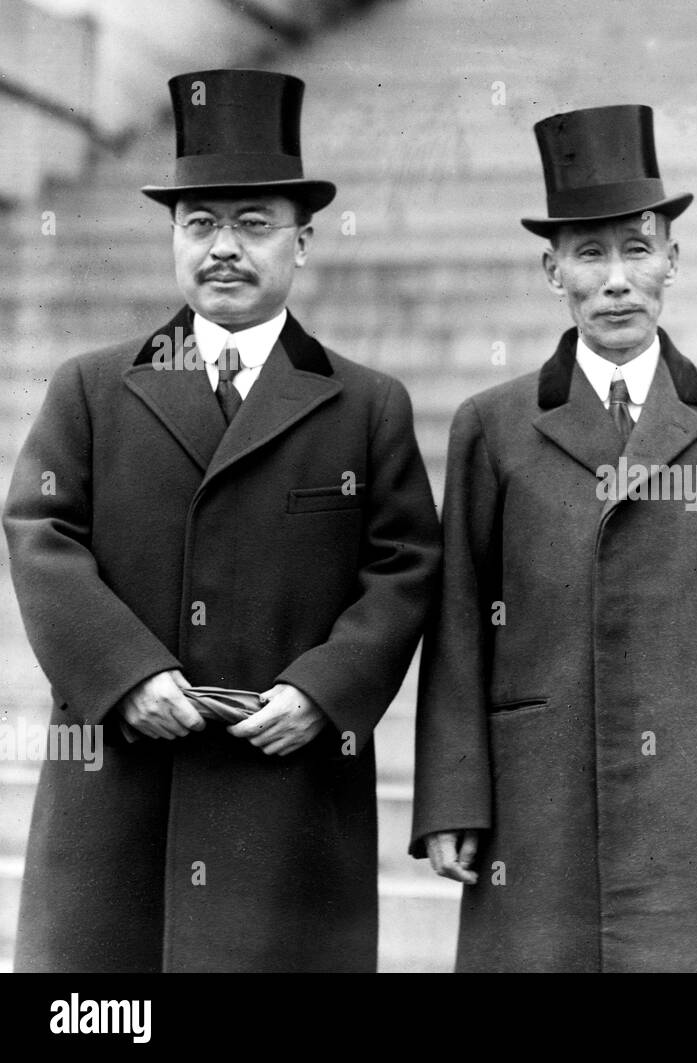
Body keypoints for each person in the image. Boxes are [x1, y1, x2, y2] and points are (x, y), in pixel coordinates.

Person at [3, 69, 441, 971]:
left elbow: (404, 568)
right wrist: (124, 676)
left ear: (302, 241)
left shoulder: (365, 403)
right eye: (200, 224)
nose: (224, 248)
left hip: (284, 793)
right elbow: (41, 535)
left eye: (253, 223)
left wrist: (323, 691)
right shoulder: (91, 387)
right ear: (172, 237)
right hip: (119, 784)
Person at [410, 104, 697, 972]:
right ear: (553, 271)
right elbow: (458, 618)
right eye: (589, 253)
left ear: (672, 262)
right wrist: (452, 797)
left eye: (637, 250)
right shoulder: (495, 426)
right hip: (544, 802)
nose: (616, 279)